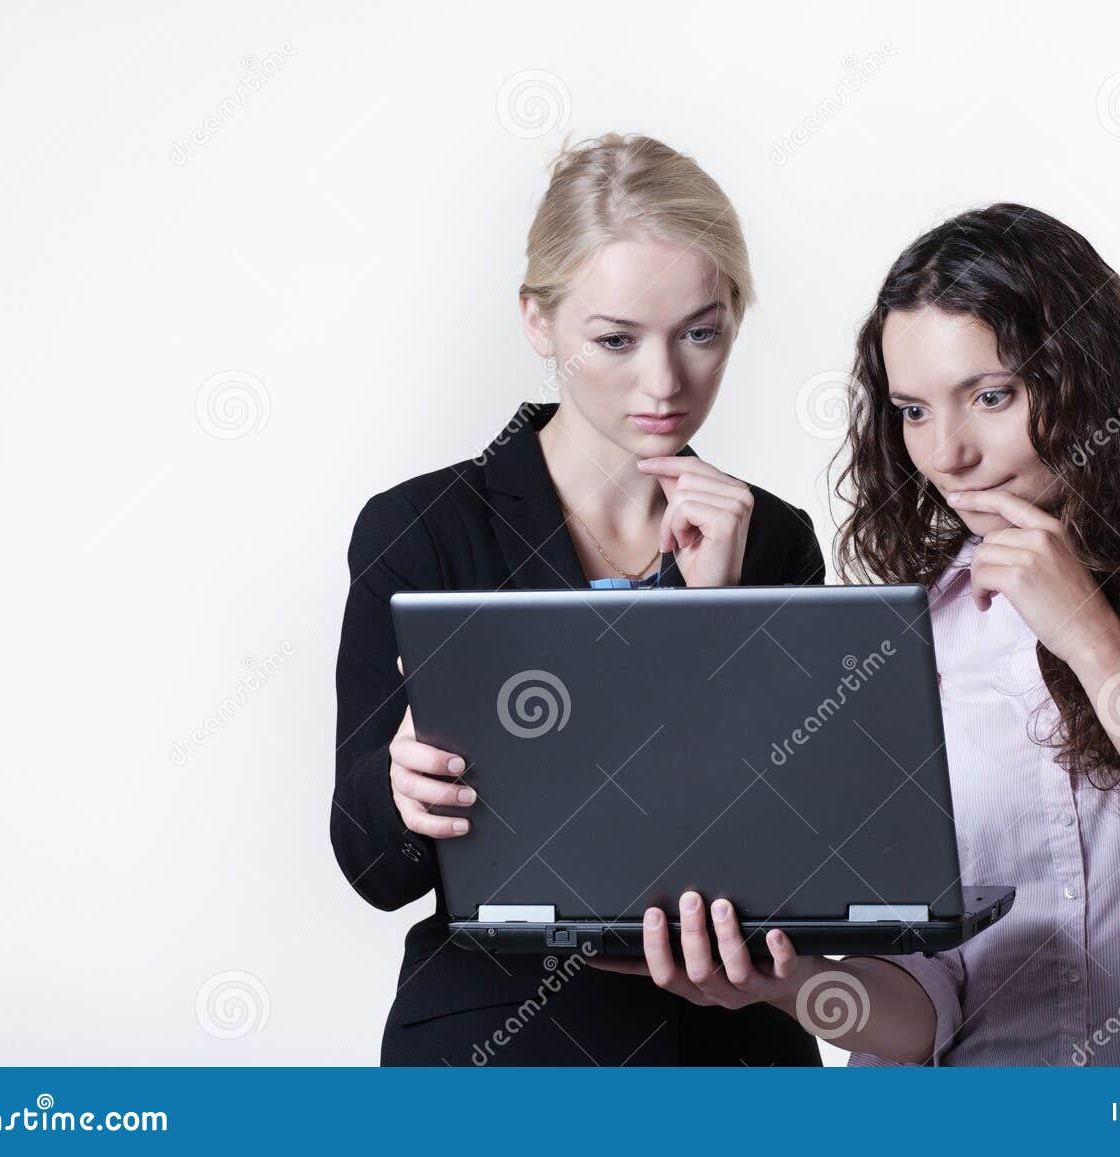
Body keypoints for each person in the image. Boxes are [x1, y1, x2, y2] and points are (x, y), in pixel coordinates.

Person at [595, 203, 1120, 1066]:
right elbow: (926, 1008)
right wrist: (778, 982)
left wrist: (1088, 632)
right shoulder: (908, 631)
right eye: (914, 411)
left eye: (991, 396)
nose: (949, 454)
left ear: (1092, 376)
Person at [331, 133, 825, 1066]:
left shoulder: (773, 537)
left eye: (701, 331)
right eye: (615, 339)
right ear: (538, 321)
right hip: (499, 1052)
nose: (664, 382)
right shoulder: (424, 526)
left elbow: (794, 858)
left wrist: (709, 616)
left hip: (735, 1056)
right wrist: (399, 789)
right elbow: (373, 869)